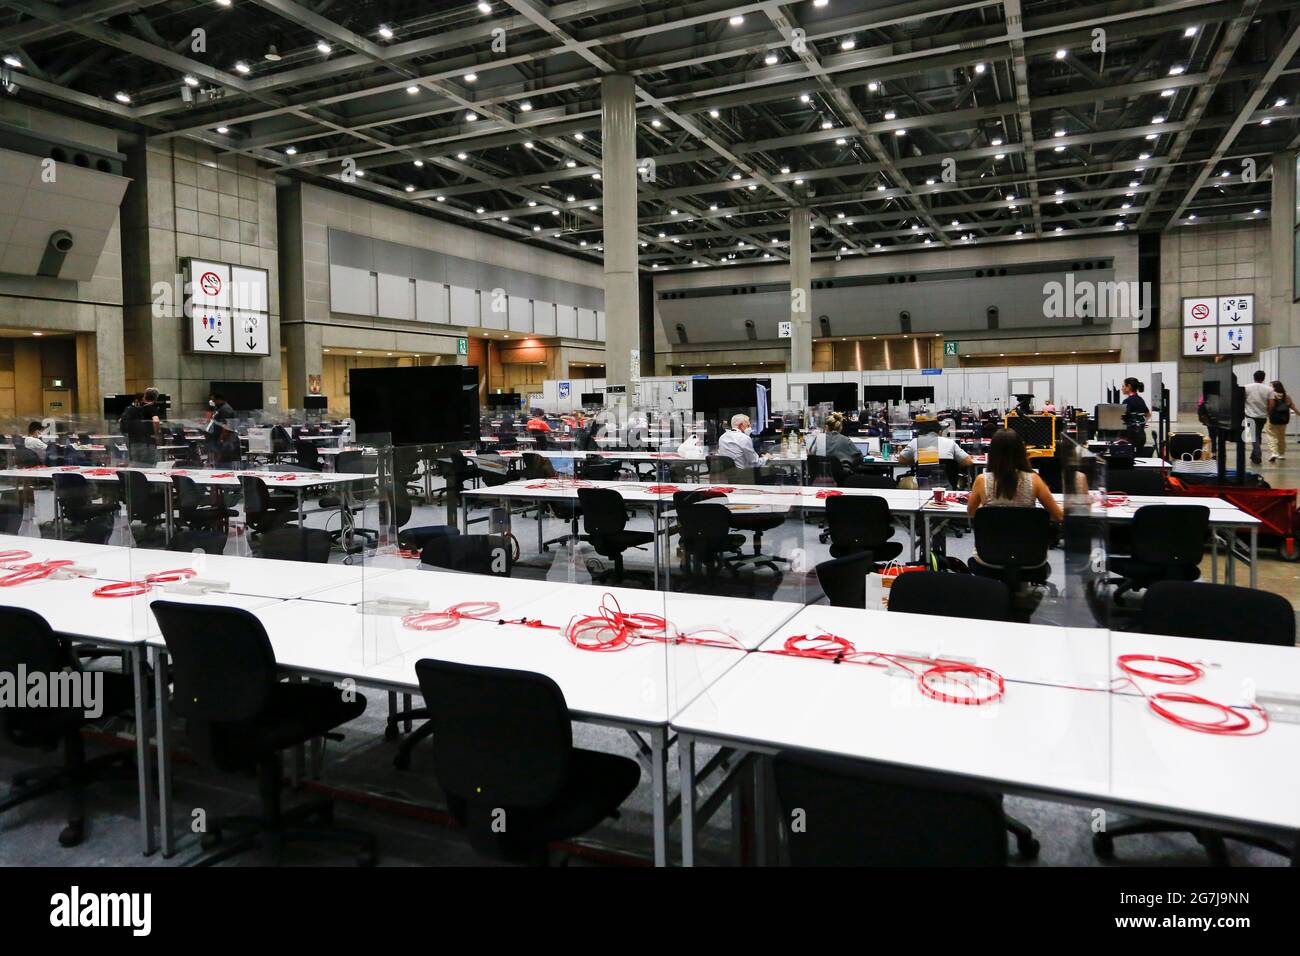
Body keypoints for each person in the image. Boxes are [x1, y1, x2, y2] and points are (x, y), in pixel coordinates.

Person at [967, 429, 1064, 522]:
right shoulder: (1034, 479)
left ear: (992, 452)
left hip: (992, 538)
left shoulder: (981, 480)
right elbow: (1059, 516)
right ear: (1021, 451)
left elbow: (971, 512)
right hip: (1026, 538)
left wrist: (988, 509)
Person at [120, 387, 163, 466]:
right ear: (156, 398)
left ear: (144, 396)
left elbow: (121, 421)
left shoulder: (135, 408)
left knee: (135, 465)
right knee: (148, 467)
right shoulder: (152, 409)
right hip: (147, 443)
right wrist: (157, 435)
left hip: (133, 442)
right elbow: (156, 420)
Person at [1244, 370, 1273, 465]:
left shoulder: (1246, 387)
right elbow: (1271, 404)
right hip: (1262, 416)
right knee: (1257, 435)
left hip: (1249, 415)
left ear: (1254, 377)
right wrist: (1268, 413)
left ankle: (1257, 455)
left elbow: (1242, 400)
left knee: (1253, 436)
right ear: (1263, 378)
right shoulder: (1269, 389)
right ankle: (1254, 455)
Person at [1267, 381, 1297, 463]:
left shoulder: (1272, 395)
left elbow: (1270, 406)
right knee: (1281, 437)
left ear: (1274, 388)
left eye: (1271, 386)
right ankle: (1281, 454)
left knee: (1271, 436)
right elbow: (1293, 406)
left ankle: (1274, 452)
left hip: (1273, 419)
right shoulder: (1286, 396)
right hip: (1283, 419)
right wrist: (1298, 413)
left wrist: (1266, 413)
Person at [1120, 377, 1149, 447]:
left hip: (1131, 436)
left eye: (1123, 386)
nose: (1122, 388)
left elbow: (1122, 419)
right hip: (1141, 435)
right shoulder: (1140, 399)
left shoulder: (1127, 401)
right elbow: (1148, 414)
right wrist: (1141, 424)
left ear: (1129, 386)